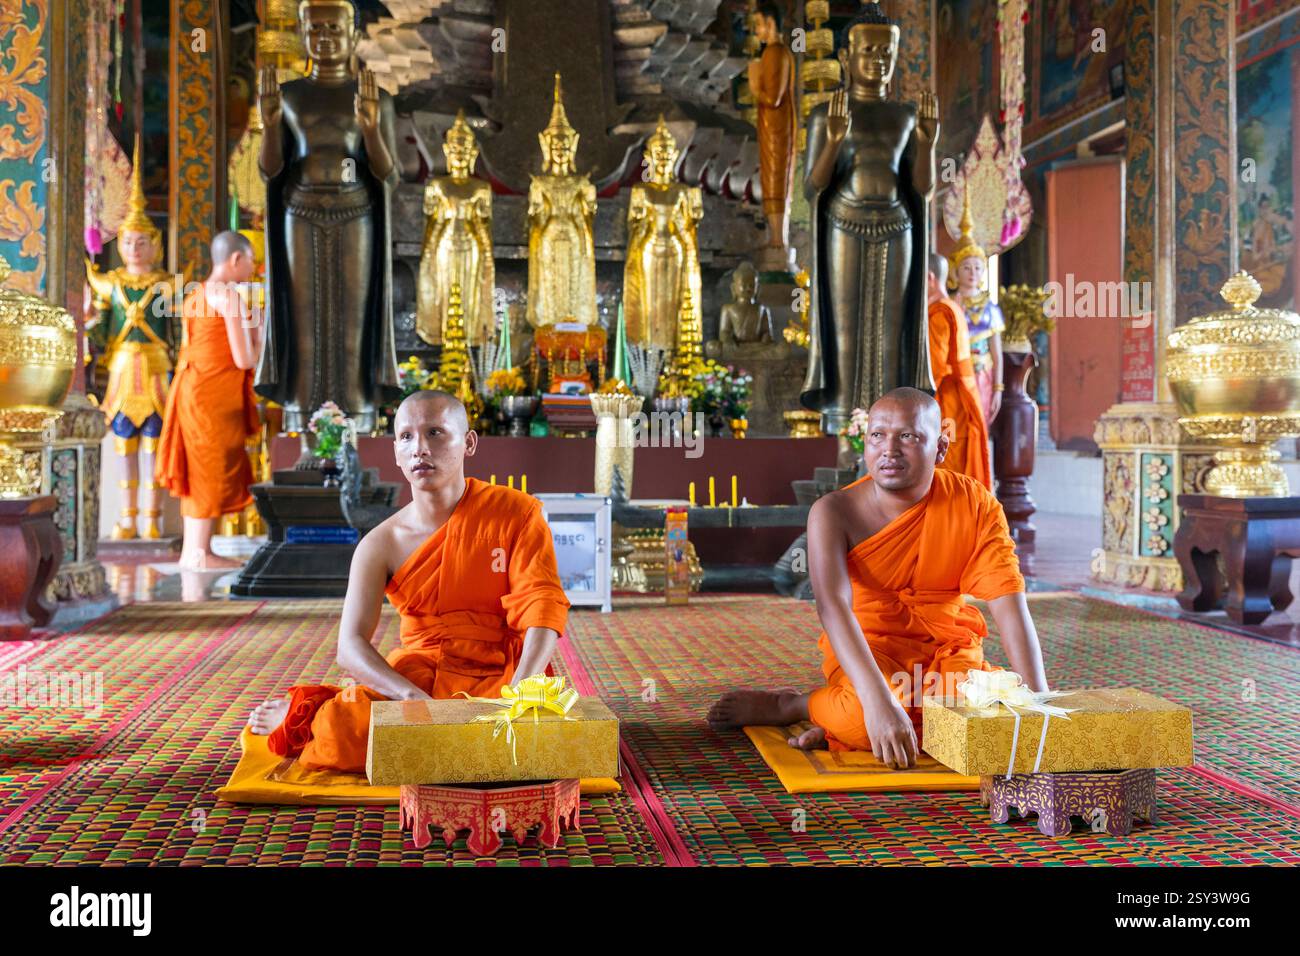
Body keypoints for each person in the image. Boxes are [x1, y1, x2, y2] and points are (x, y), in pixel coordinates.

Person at [707, 388, 1048, 769]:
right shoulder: (834, 511)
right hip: (870, 647)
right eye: (877, 435)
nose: (890, 449)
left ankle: (835, 725)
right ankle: (795, 704)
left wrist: (1039, 705)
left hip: (946, 649)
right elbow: (833, 608)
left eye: (908, 436)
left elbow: (1010, 603)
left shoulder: (974, 503)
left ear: (940, 448)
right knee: (866, 719)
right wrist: (878, 703)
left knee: (990, 710)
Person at [247, 390, 569, 773]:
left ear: (468, 443)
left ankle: (343, 709)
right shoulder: (380, 544)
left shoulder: (516, 513)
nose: (420, 449)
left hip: (503, 670)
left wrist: (521, 691)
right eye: (406, 437)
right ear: (396, 452)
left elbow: (542, 605)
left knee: (539, 733)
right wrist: (410, 698)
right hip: (422, 673)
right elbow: (349, 647)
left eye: (435, 433)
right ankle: (315, 708)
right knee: (343, 730)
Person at [155, 231, 262, 569]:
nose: (252, 270)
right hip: (213, 396)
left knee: (200, 465)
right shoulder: (227, 298)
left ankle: (197, 548)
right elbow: (245, 359)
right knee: (211, 467)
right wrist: (260, 332)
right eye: (250, 262)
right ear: (235, 260)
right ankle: (198, 552)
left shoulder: (196, 294)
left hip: (192, 389)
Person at [927, 252, 990, 489]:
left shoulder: (939, 313)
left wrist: (913, 397)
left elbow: (936, 367)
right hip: (961, 400)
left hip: (948, 404)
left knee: (945, 468)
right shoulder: (953, 307)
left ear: (930, 278)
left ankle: (950, 524)